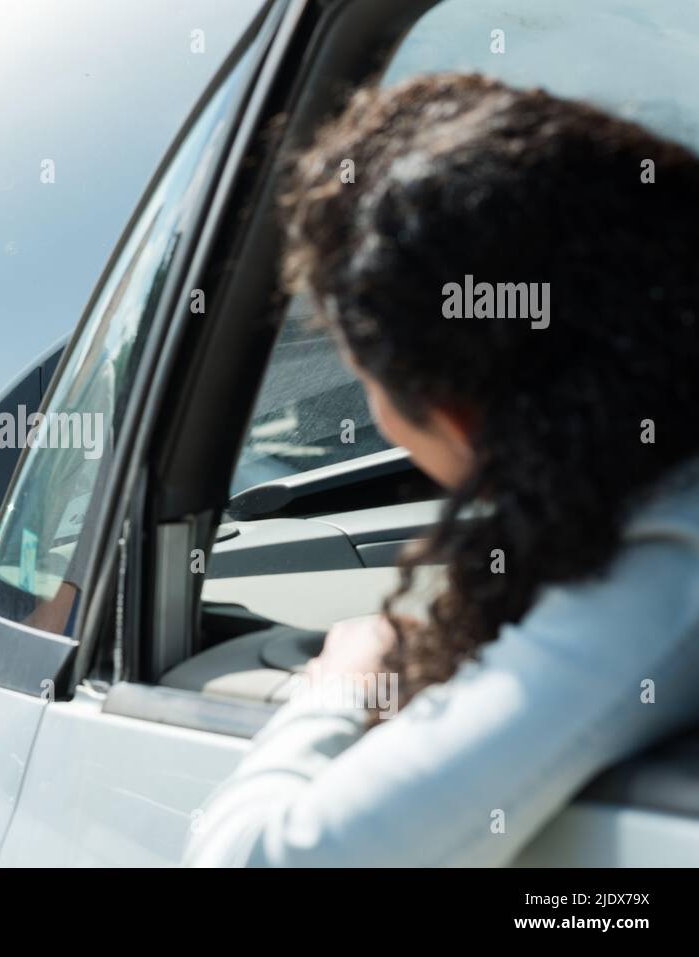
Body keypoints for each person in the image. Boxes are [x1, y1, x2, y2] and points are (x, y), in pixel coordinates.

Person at [183, 72, 699, 866]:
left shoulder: (668, 569)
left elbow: (257, 861)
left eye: (365, 374)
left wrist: (341, 684)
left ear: (451, 406)